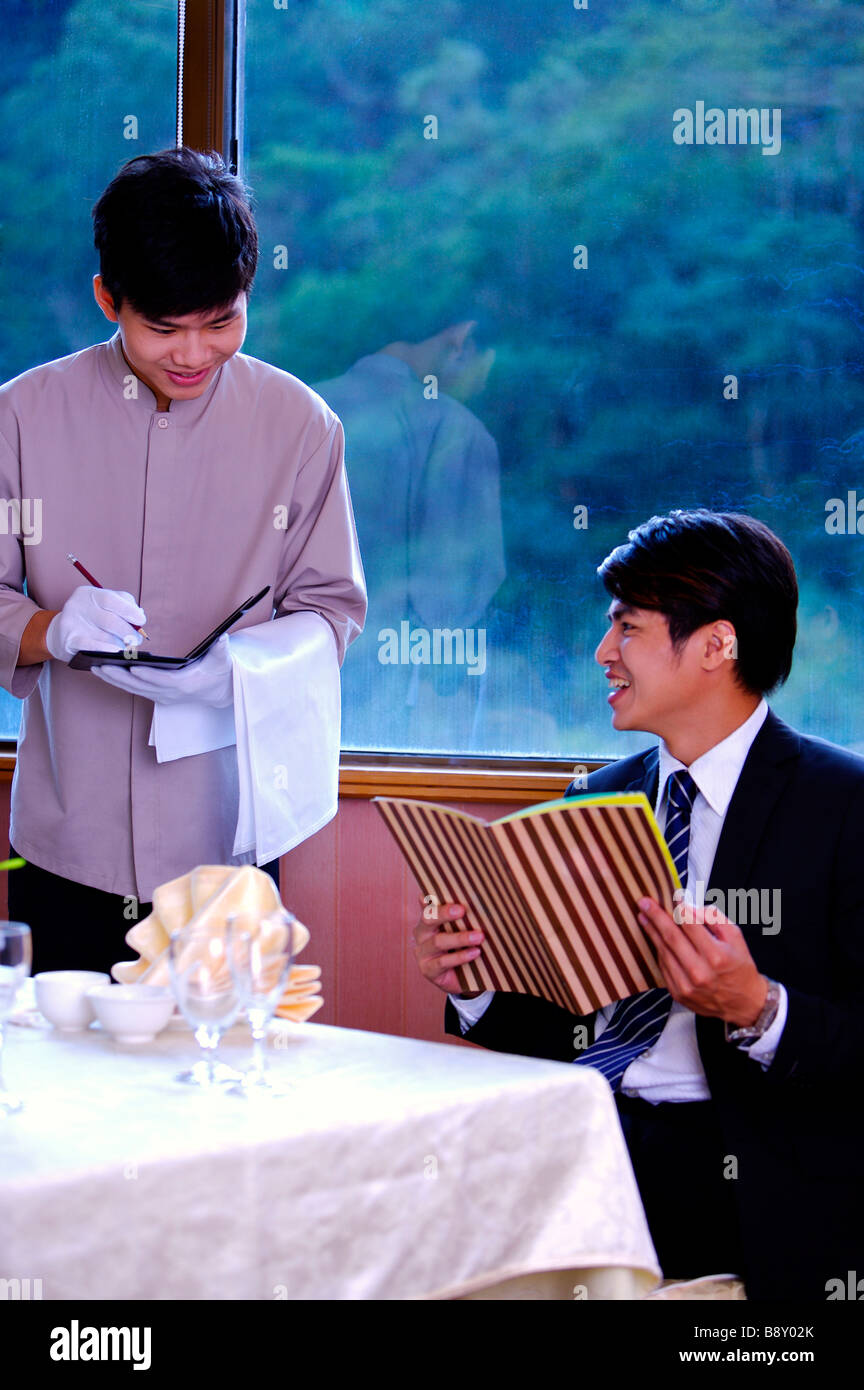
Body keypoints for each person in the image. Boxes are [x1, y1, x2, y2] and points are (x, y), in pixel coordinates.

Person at [414, 508, 864, 1301]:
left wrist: (758, 1008)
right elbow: (563, 1024)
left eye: (627, 629)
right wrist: (477, 982)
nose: (602, 653)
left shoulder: (843, 805)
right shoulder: (595, 799)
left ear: (717, 646)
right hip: (588, 1140)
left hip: (748, 1169)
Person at [0, 147, 366, 974]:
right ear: (108, 300)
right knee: (67, 1092)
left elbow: (332, 609)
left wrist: (244, 667)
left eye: (222, 321)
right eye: (163, 328)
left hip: (227, 843)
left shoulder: (302, 426)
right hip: (66, 842)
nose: (194, 353)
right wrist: (52, 629)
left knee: (223, 1084)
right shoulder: (21, 416)